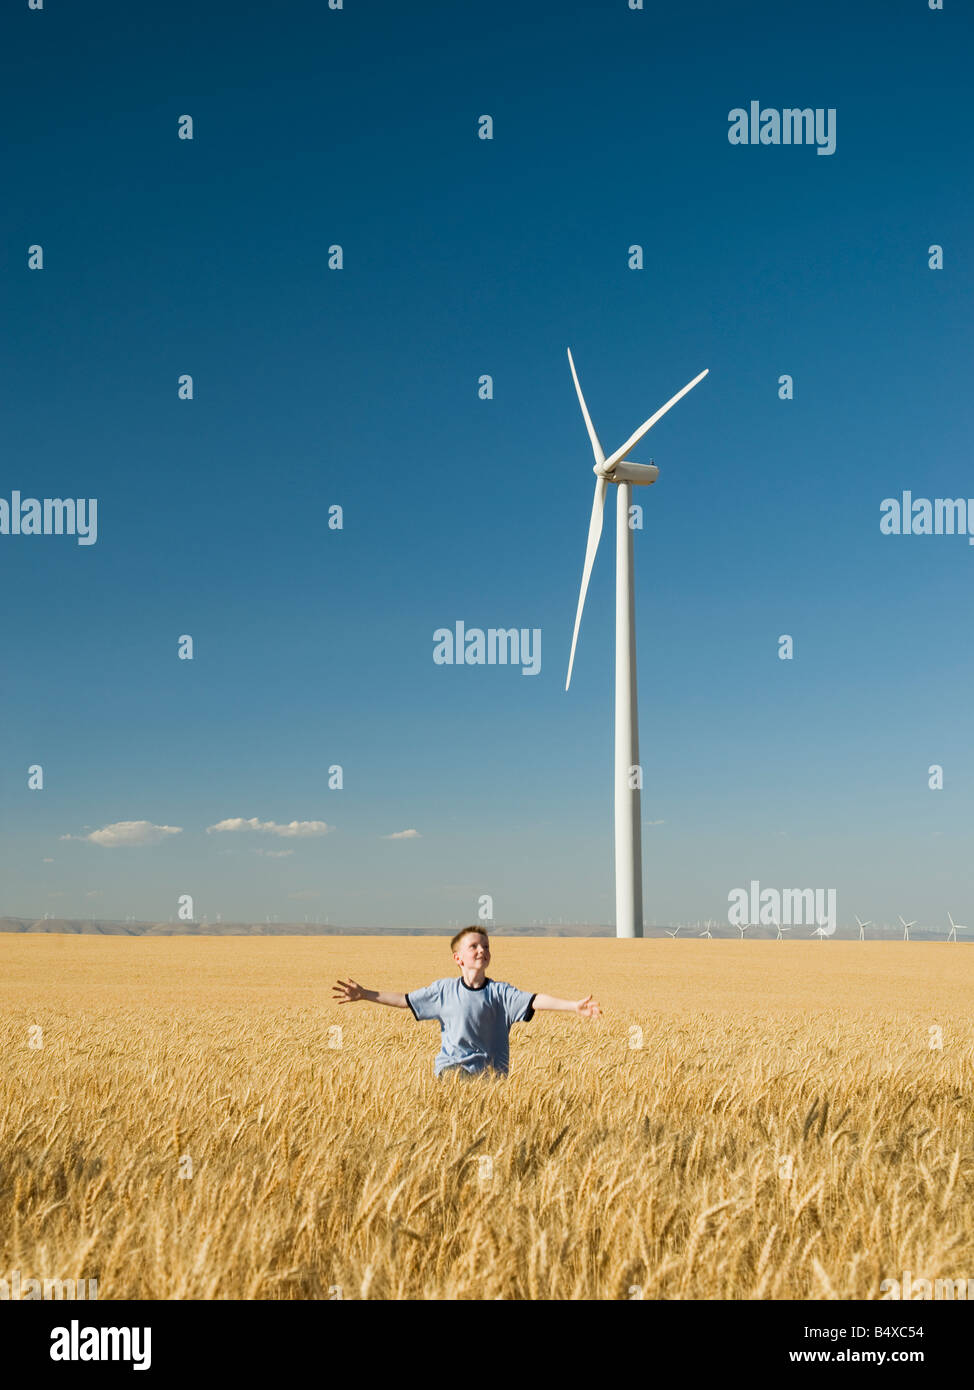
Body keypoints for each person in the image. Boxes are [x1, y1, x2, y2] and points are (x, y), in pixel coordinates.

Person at [332, 926, 601, 1079]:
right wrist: (365, 994)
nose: (481, 950)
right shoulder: (443, 990)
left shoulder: (500, 993)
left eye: (485, 946)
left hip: (490, 1078)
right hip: (451, 1072)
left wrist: (572, 1006)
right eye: (473, 946)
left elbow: (534, 1001)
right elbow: (406, 1000)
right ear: (458, 958)